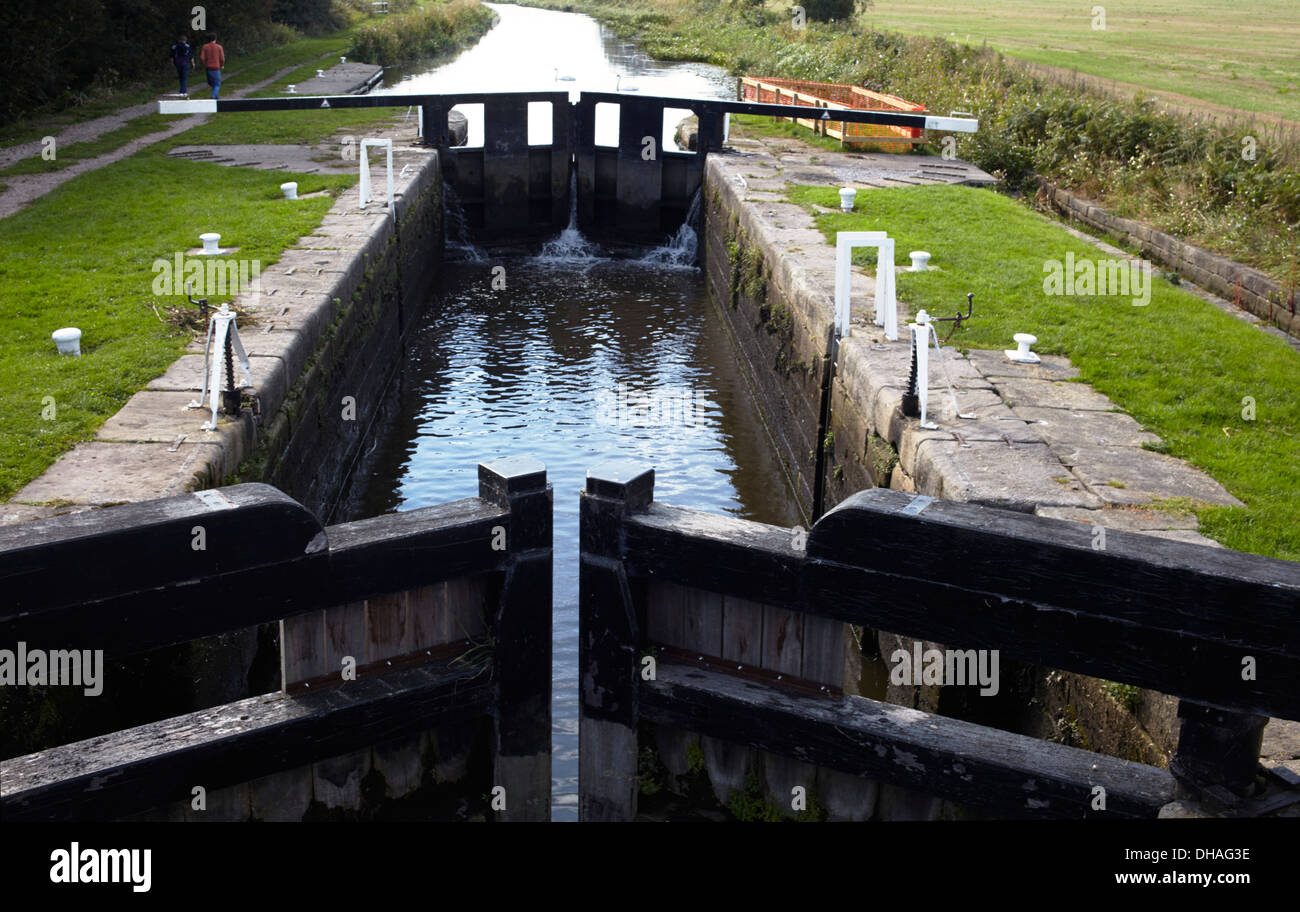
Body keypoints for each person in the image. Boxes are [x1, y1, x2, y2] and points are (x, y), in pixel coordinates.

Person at [198, 33, 225, 100]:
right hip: (216, 67)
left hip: (208, 67)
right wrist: (221, 65)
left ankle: (216, 97)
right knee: (217, 84)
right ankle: (213, 96)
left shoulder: (205, 46)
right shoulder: (219, 47)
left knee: (212, 83)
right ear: (215, 39)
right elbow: (222, 59)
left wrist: (205, 64)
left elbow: (202, 57)